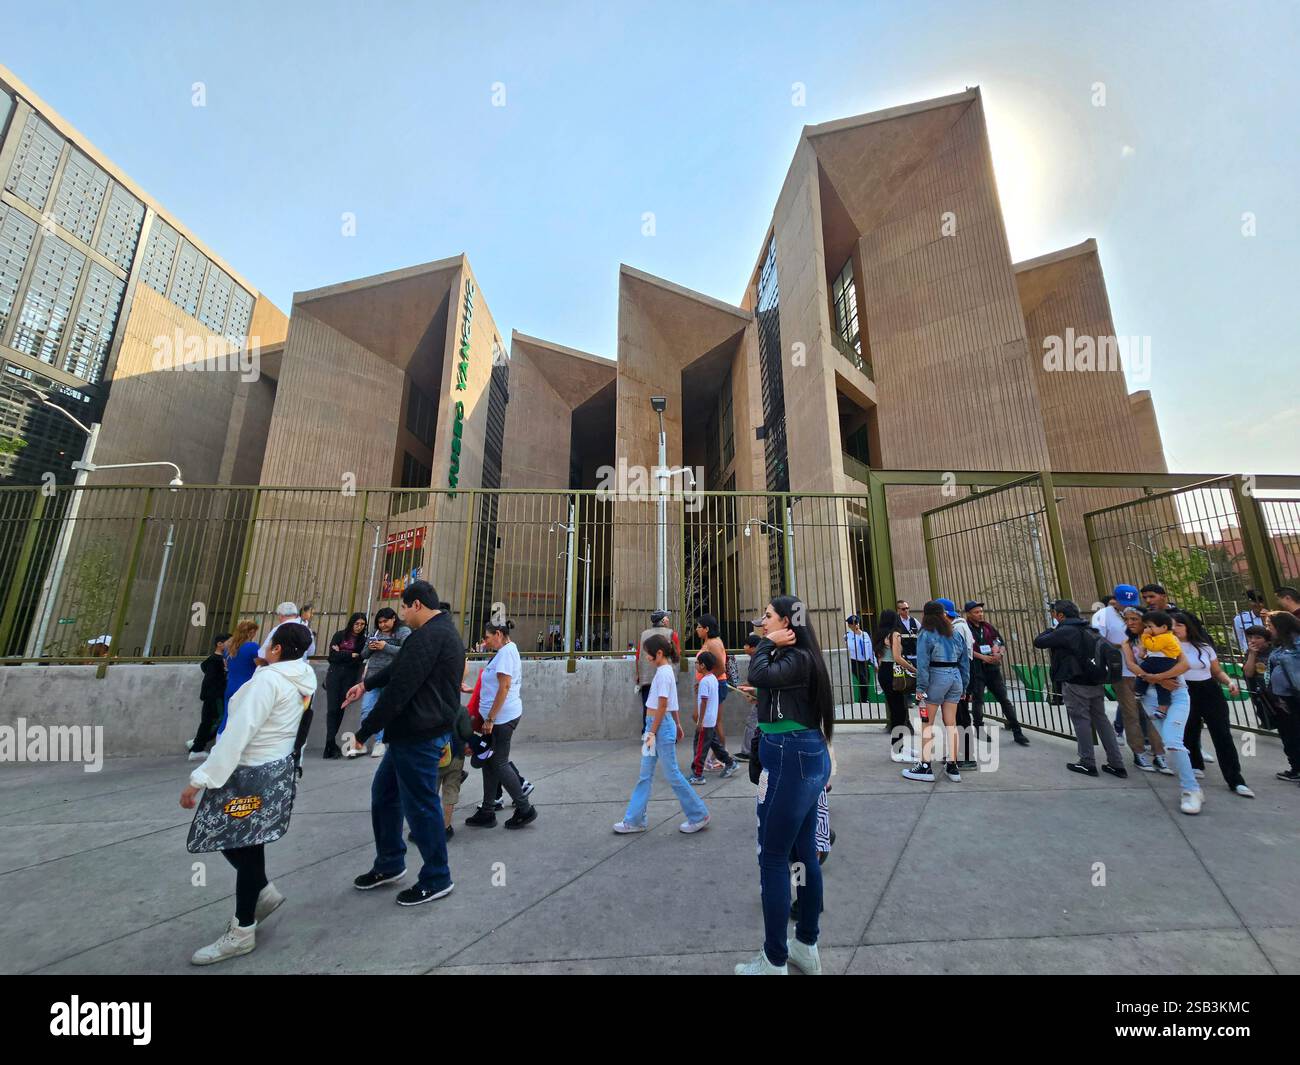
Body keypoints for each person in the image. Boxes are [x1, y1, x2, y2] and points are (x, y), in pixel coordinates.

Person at [180, 622, 316, 964]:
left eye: (270, 641)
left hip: (249, 770)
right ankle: (261, 893)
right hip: (276, 769)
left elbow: (238, 734)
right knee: (247, 843)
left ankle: (242, 929)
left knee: (235, 840)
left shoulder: (269, 681)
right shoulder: (302, 678)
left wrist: (200, 779)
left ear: (278, 649)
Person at [343, 580, 463, 906]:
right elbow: (400, 668)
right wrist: (366, 684)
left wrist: (363, 733)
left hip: (419, 735)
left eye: (405, 608)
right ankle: (390, 863)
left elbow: (400, 690)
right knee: (384, 796)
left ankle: (437, 877)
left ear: (418, 605)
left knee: (421, 806)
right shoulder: (433, 634)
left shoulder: (431, 636)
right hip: (408, 735)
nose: (403, 615)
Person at [733, 595, 833, 976]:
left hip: (790, 758)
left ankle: (774, 958)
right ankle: (805, 943)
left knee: (773, 858)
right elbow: (775, 690)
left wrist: (766, 644)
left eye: (769, 618)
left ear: (788, 624)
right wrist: (760, 695)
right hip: (801, 756)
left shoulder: (792, 656)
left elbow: (759, 672)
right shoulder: (802, 659)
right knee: (803, 853)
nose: (763, 624)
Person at [613, 634, 710, 835]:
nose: (646, 658)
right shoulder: (664, 672)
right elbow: (669, 704)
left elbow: (663, 704)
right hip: (658, 726)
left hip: (657, 727)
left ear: (658, 653)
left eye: (648, 654)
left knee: (671, 774)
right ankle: (635, 820)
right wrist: (677, 724)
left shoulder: (664, 673)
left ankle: (698, 814)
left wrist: (652, 731)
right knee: (645, 775)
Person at [1033, 600, 1128, 781]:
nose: (1054, 616)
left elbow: (1039, 641)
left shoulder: (1065, 631)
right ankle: (1117, 763)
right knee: (1102, 720)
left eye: (1054, 613)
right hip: (1094, 681)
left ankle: (1087, 762)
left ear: (1060, 615)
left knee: (1081, 721)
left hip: (1075, 682)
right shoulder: (1090, 629)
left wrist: (1053, 628)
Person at [464, 620, 538, 829]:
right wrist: (473, 692)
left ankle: (525, 809)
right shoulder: (507, 650)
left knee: (499, 763)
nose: (485, 642)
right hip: (501, 717)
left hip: (501, 719)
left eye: (487, 638)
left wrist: (490, 718)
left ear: (498, 634)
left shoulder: (505, 653)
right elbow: (495, 685)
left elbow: (504, 687)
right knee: (489, 762)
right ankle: (487, 810)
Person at [1172, 611, 1253, 798]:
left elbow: (1216, 670)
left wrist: (1229, 682)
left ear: (1188, 627)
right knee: (1189, 730)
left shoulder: (1204, 647)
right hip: (1185, 690)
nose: (1174, 629)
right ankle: (1195, 763)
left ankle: (1235, 779)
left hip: (1209, 690)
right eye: (1172, 625)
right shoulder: (1170, 648)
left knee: (1222, 734)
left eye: (1179, 625)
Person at [1130, 608, 1201, 814]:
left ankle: (1191, 789)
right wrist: (1153, 678)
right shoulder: (1134, 643)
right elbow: (1132, 666)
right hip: (1150, 697)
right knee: (1169, 742)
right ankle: (1191, 785)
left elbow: (1184, 665)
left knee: (1173, 741)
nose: (1133, 623)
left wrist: (1159, 677)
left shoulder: (1169, 640)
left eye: (1139, 621)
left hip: (1176, 694)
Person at [902, 599, 970, 783]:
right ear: (942, 614)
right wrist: (963, 685)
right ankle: (952, 765)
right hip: (955, 677)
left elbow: (923, 664)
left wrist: (920, 688)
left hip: (936, 677)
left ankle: (925, 766)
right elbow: (965, 662)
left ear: (926, 615)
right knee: (951, 723)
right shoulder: (955, 633)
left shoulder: (926, 634)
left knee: (927, 723)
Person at [962, 601, 1030, 748]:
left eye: (981, 611)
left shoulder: (987, 627)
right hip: (976, 669)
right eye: (976, 612)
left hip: (992, 669)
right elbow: (965, 649)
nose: (980, 614)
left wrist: (999, 653)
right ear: (968, 614)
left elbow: (1001, 643)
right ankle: (979, 728)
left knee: (1004, 699)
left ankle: (1017, 730)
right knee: (978, 700)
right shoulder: (965, 628)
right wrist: (983, 657)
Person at [1114, 607, 1173, 774]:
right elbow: (1131, 662)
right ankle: (1138, 752)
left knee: (1153, 717)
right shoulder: (1127, 641)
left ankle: (1159, 753)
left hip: (1155, 680)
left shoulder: (1158, 639)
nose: (1130, 623)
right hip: (1129, 679)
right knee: (1131, 716)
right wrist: (1148, 676)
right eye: (1127, 619)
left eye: (1134, 619)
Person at [355, 607, 411, 759]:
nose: (382, 625)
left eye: (385, 621)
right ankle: (361, 742)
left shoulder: (403, 631)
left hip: (391, 677)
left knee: (383, 710)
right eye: (379, 622)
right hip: (372, 677)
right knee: (367, 709)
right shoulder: (375, 633)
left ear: (394, 618)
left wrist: (385, 647)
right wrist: (371, 647)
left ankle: (380, 742)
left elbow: (408, 650)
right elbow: (363, 654)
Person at [323, 612, 368, 759]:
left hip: (349, 677)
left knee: (340, 708)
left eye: (362, 625)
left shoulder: (363, 640)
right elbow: (332, 657)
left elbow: (360, 658)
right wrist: (350, 655)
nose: (359, 627)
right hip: (334, 675)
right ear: (351, 623)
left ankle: (331, 743)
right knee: (332, 709)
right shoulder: (340, 635)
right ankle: (329, 743)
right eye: (357, 624)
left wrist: (342, 653)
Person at [690, 650, 738, 783]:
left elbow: (704, 702)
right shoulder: (713, 679)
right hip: (710, 720)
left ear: (703, 665)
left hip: (705, 721)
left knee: (700, 747)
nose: (695, 665)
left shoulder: (705, 681)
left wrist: (700, 722)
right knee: (714, 744)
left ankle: (698, 775)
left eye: (697, 663)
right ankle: (730, 762)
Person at [874, 609, 915, 762]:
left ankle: (901, 746)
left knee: (897, 708)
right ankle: (897, 749)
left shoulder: (879, 635)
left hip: (884, 671)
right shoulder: (895, 635)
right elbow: (897, 658)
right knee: (899, 711)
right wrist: (913, 669)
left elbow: (879, 658)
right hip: (893, 672)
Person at [1264, 610, 1300, 782]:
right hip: (1282, 698)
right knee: (1289, 734)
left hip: (1294, 696)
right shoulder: (1280, 645)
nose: (1268, 629)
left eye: (1269, 625)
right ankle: (1296, 768)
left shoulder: (1296, 644)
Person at [188, 632, 229, 759]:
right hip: (215, 695)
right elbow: (211, 678)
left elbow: (203, 666)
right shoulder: (217, 661)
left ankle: (196, 743)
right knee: (219, 720)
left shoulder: (213, 659)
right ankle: (198, 746)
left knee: (207, 720)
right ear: (220, 644)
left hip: (210, 695)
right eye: (229, 642)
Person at [1135, 611, 1182, 717]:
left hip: (1163, 662)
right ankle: (1161, 709)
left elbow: (1153, 647)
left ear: (1164, 627)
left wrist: (1145, 636)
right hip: (1160, 661)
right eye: (1146, 627)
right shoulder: (1163, 636)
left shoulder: (1165, 637)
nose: (1147, 629)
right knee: (1160, 686)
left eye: (1150, 626)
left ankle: (1139, 691)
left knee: (1142, 672)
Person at [218, 620, 260, 737]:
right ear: (251, 632)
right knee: (242, 721)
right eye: (254, 632)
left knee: (227, 717)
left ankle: (218, 746)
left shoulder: (229, 648)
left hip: (230, 685)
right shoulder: (252, 647)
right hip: (245, 688)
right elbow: (261, 665)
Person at [1242, 625, 1280, 731]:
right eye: (1250, 637)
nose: (1253, 640)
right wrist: (1252, 655)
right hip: (1261, 690)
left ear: (1267, 640)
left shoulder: (1275, 650)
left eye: (1258, 637)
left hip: (1277, 690)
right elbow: (1248, 673)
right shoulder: (1250, 652)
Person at [734, 631, 762, 761]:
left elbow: (760, 679)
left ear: (754, 647)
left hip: (761, 696)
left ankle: (748, 752)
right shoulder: (756, 659)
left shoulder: (759, 660)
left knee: (752, 723)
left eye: (747, 645)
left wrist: (754, 693)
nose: (744, 647)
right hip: (759, 695)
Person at [844, 614, 873, 706]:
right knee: (863, 680)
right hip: (855, 661)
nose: (856, 625)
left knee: (867, 680)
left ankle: (863, 699)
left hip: (865, 661)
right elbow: (852, 647)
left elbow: (870, 648)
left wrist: (874, 662)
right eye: (853, 624)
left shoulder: (865, 634)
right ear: (849, 625)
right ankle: (863, 701)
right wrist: (858, 636)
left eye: (857, 623)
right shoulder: (847, 636)